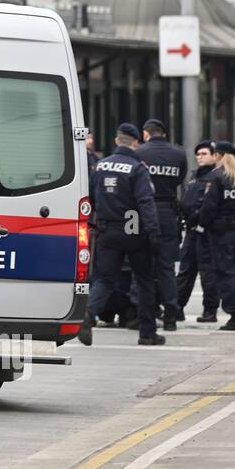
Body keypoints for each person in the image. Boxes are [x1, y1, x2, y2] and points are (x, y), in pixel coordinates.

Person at [78, 122, 163, 347]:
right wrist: (154, 234)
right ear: (136, 143)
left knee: (104, 279)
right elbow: (146, 203)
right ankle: (147, 333)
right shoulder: (138, 168)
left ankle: (88, 314)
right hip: (135, 234)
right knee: (144, 281)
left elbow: (91, 199)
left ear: (117, 141)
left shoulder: (100, 166)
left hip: (107, 232)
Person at [132, 118, 188, 329]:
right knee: (166, 267)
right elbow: (179, 180)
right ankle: (171, 314)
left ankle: (142, 312)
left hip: (144, 212)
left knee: (142, 265)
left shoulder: (139, 153)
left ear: (146, 134)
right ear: (163, 133)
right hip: (168, 212)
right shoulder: (179, 154)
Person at [198, 140, 235, 330]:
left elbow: (209, 207)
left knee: (225, 273)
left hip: (221, 232)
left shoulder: (216, 177)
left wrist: (202, 225)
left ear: (218, 156)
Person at [177, 141, 221, 322]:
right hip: (191, 230)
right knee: (185, 271)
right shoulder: (195, 176)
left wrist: (199, 215)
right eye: (198, 154)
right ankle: (177, 307)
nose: (200, 157)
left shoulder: (216, 177)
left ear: (213, 155)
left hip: (207, 232)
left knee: (208, 273)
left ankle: (210, 310)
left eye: (204, 153)